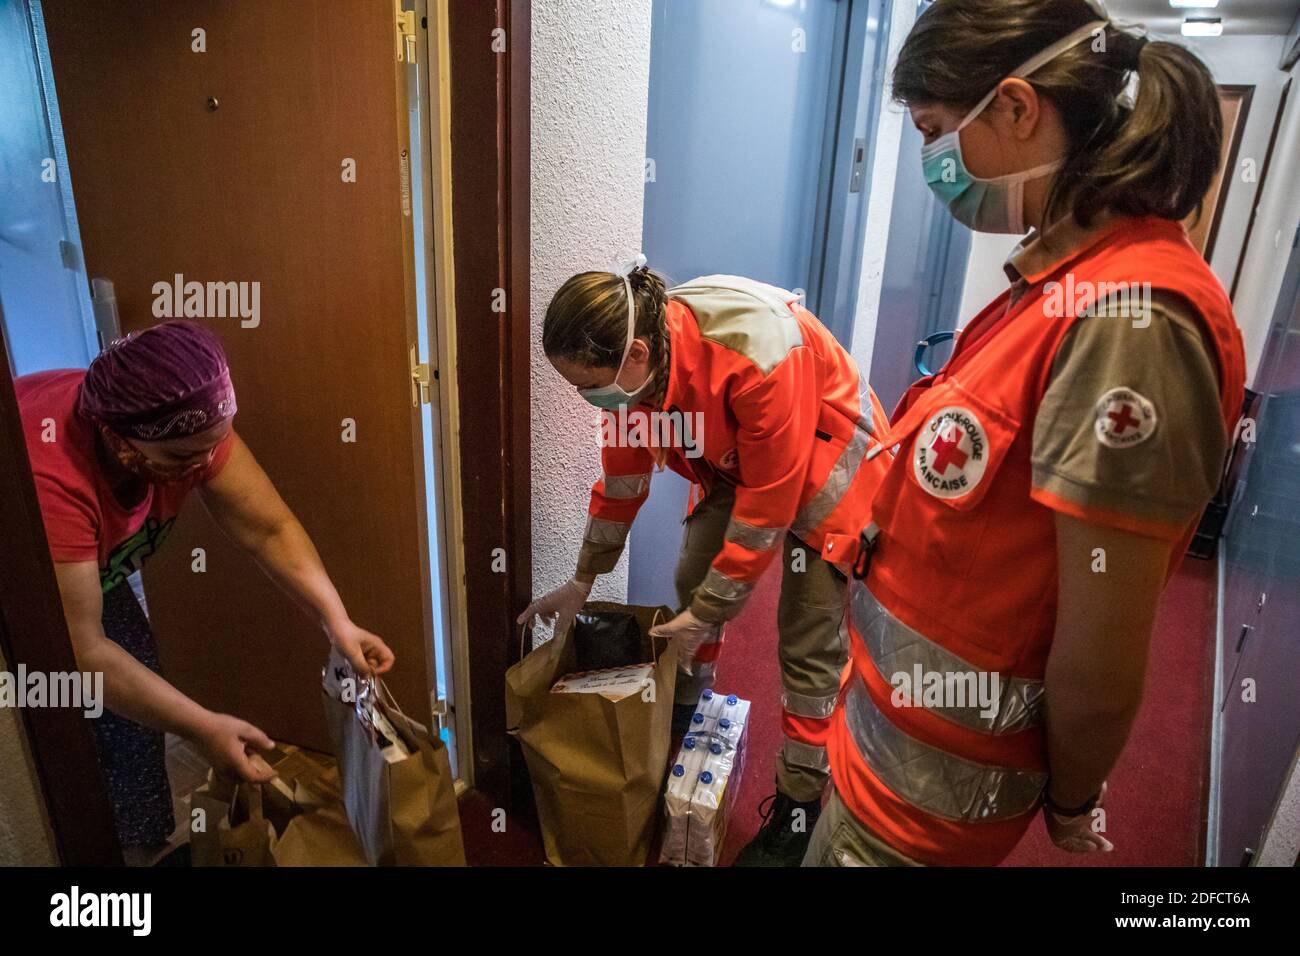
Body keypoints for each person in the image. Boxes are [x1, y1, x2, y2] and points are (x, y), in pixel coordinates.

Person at [804, 0, 1247, 866]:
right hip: (886, 754)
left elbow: (1101, 653)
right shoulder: (1059, 280)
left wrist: (1074, 794)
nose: (937, 164)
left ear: (1014, 107)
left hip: (931, 806)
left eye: (937, 132)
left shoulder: (1133, 322)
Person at [519, 263, 892, 865]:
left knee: (808, 639)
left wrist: (714, 609)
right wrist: (582, 579)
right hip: (741, 462)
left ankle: (797, 809)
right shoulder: (634, 376)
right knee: (694, 578)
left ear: (636, 353)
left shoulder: (758, 356)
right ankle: (687, 712)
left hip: (830, 471)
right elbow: (622, 479)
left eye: (589, 387)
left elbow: (768, 509)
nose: (589, 399)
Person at [16, 320, 395, 854]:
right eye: (181, 460)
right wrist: (203, 726)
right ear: (117, 441)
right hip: (18, 559)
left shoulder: (183, 421)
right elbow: (81, 649)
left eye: (212, 450)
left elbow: (268, 529)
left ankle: (138, 849)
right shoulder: (51, 476)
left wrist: (337, 623)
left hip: (84, 565)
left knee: (132, 707)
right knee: (43, 736)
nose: (204, 467)